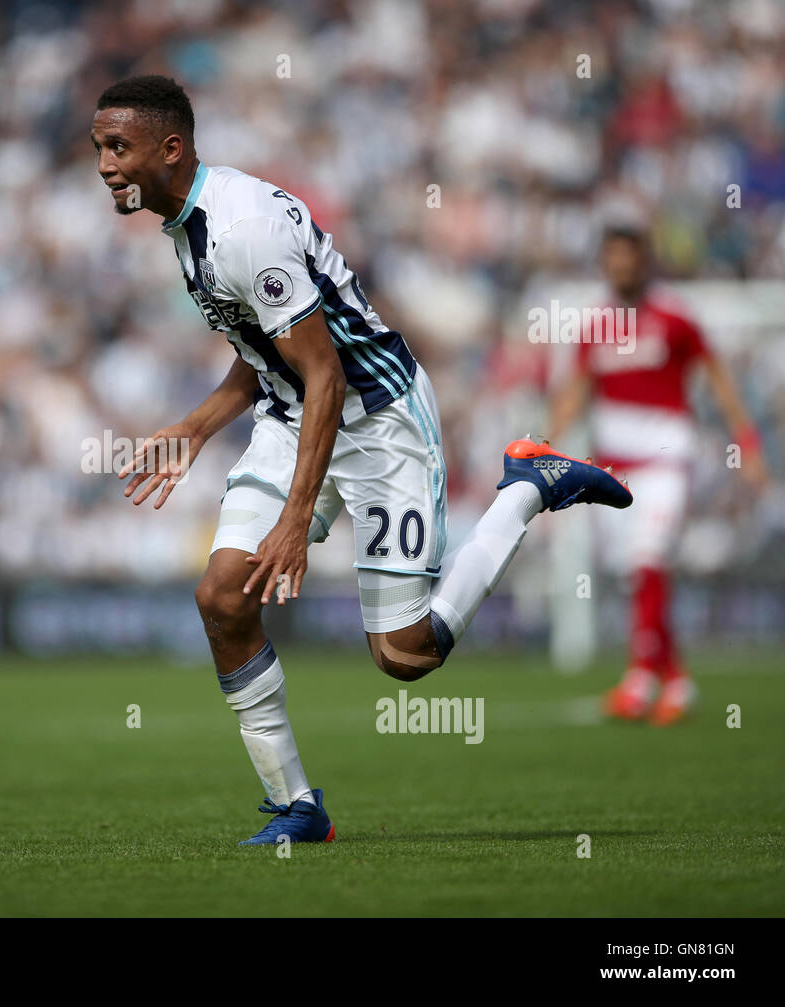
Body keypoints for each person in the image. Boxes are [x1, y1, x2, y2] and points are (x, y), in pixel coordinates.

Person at [93, 75, 633, 845]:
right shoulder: (188, 225)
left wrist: (292, 520)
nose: (106, 165)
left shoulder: (242, 226)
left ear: (169, 148)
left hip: (378, 420)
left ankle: (527, 488)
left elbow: (327, 371)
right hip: (295, 417)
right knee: (222, 596)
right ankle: (299, 808)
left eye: (119, 148)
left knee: (405, 657)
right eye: (98, 149)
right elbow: (267, 355)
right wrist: (197, 424)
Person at [550, 224, 768, 725]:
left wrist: (747, 443)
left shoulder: (673, 318)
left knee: (649, 560)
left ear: (644, 259)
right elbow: (575, 391)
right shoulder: (596, 326)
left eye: (629, 256)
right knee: (637, 575)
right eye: (613, 258)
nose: (621, 266)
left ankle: (639, 680)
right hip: (613, 471)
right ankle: (678, 681)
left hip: (667, 460)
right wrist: (546, 445)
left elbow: (717, 376)